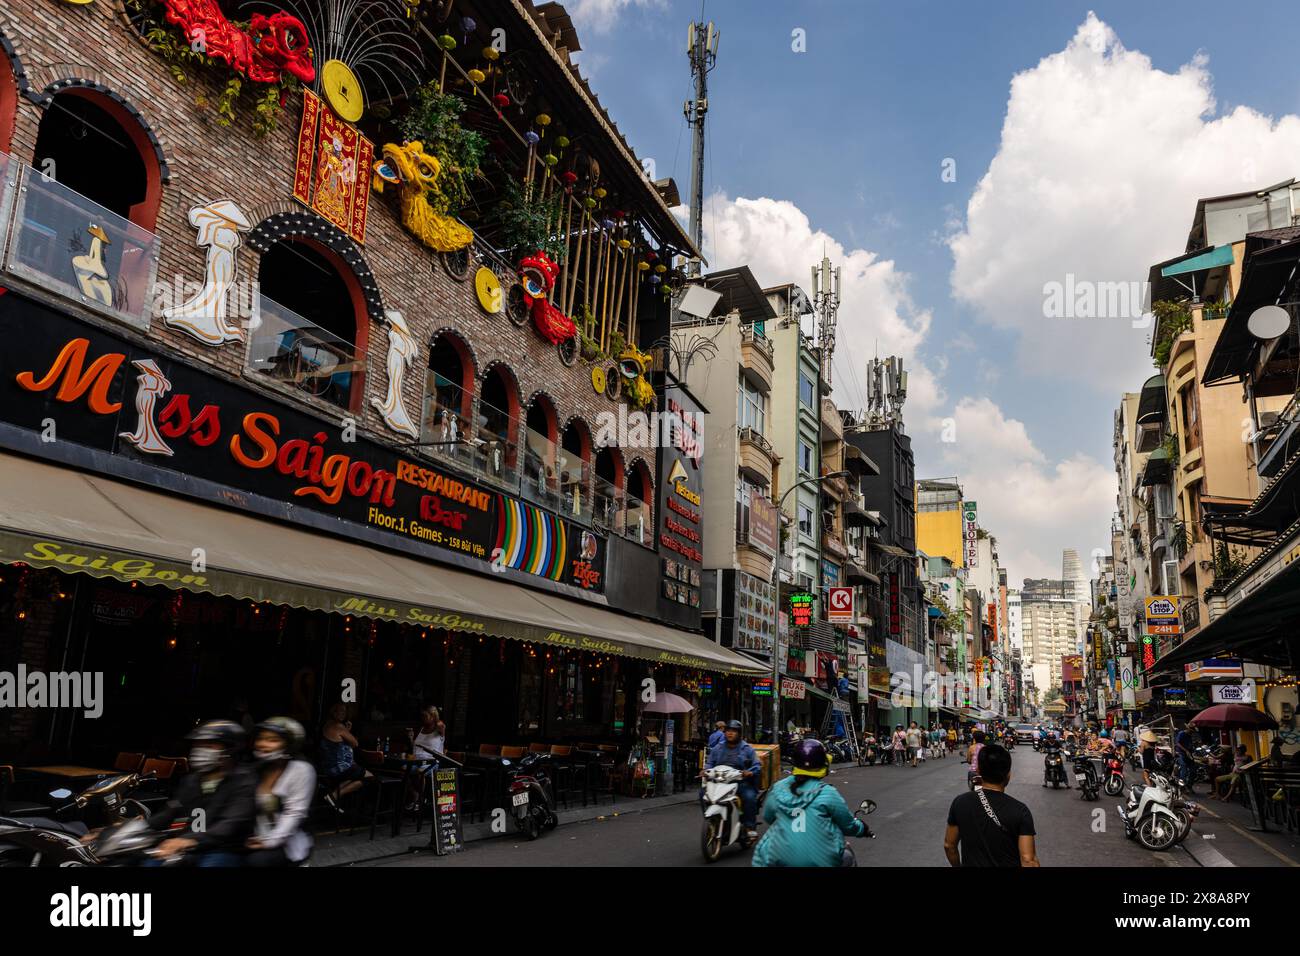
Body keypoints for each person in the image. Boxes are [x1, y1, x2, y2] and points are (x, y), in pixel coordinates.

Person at [147, 719, 256, 867]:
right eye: (198, 745)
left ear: (230, 749)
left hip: (223, 849)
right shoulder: (191, 780)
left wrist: (190, 840)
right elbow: (170, 812)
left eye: (209, 745)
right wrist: (134, 828)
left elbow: (230, 823)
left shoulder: (243, 780)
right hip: (188, 845)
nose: (200, 750)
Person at [752, 739, 869, 867]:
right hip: (821, 861)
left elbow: (768, 817)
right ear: (822, 765)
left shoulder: (778, 788)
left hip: (777, 859)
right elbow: (848, 825)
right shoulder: (828, 793)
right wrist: (862, 828)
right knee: (847, 856)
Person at [944, 743, 1039, 867]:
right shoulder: (1020, 811)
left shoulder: (960, 802)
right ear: (1008, 775)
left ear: (978, 771)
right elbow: (1028, 860)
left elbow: (949, 845)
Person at [246, 717, 315, 867]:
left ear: (288, 745)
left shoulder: (301, 770)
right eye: (261, 739)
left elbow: (294, 813)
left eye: (272, 740)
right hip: (256, 838)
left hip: (289, 845)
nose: (263, 744)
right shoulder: (254, 771)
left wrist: (269, 841)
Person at [705, 720, 762, 838]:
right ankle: (711, 818)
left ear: (739, 733)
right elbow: (710, 763)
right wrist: (705, 771)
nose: (730, 733)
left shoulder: (747, 749)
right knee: (703, 794)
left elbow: (757, 765)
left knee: (749, 797)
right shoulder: (718, 748)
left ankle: (749, 827)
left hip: (741, 782)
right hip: (720, 782)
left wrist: (750, 772)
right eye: (728, 731)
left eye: (734, 731)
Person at [319, 702, 372, 809]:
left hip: (327, 767)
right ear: (333, 712)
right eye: (339, 711)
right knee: (370, 778)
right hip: (339, 768)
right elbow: (355, 743)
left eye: (344, 711)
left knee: (356, 775)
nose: (342, 713)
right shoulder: (338, 726)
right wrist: (347, 731)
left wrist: (346, 731)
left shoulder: (327, 724)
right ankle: (334, 795)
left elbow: (341, 741)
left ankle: (333, 795)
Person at [404, 705, 447, 811]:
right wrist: (410, 739)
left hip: (432, 762)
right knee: (402, 770)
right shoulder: (421, 728)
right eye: (422, 716)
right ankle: (415, 795)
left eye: (425, 716)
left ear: (433, 716)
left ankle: (420, 800)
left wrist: (435, 716)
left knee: (420, 772)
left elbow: (441, 725)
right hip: (416, 760)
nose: (422, 718)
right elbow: (415, 747)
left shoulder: (438, 728)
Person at [1174, 721, 1196, 789]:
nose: (1192, 732)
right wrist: (1185, 750)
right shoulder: (1182, 733)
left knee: (1193, 771)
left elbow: (1190, 745)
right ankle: (1181, 786)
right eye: (1191, 730)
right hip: (1181, 754)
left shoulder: (1190, 736)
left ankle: (1189, 785)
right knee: (1184, 769)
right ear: (1188, 729)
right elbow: (1178, 743)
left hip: (1189, 754)